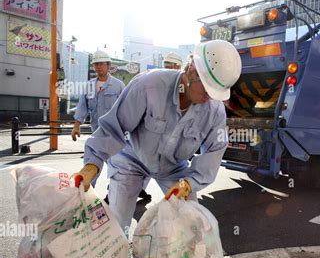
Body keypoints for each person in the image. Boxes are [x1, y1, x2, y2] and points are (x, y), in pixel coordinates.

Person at [74, 40, 242, 233]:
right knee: (117, 225)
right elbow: (114, 127)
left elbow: (214, 151)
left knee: (193, 226)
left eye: (216, 93)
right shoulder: (149, 86)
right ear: (192, 71)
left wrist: (188, 183)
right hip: (131, 160)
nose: (209, 97)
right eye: (207, 89)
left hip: (174, 169)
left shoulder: (214, 110)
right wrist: (92, 163)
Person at [71, 51, 125, 188]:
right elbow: (82, 106)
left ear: (108, 66)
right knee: (91, 163)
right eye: (96, 64)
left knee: (117, 165)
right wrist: (76, 125)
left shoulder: (118, 86)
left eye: (102, 64)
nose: (99, 67)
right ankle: (87, 190)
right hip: (96, 132)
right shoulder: (89, 86)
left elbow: (126, 109)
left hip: (115, 134)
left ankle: (116, 189)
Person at [139, 52, 184, 201]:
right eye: (166, 66)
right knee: (143, 165)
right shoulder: (155, 84)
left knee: (179, 197)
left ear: (179, 67)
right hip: (153, 137)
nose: (168, 70)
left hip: (172, 148)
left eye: (172, 67)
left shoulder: (184, 87)